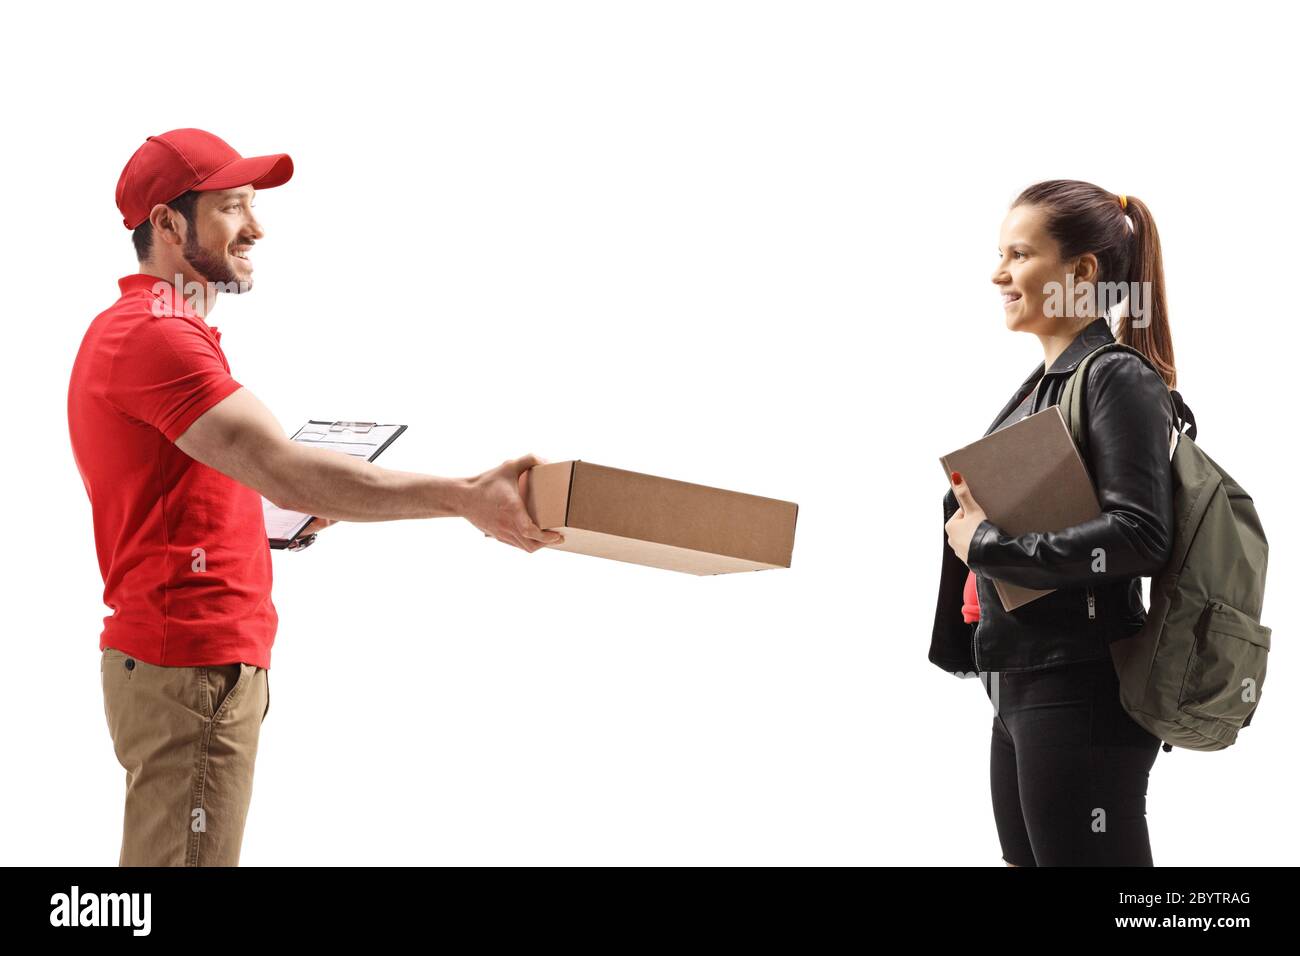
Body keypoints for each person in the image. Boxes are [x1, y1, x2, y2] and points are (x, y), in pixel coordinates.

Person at [68, 128, 564, 866]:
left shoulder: (160, 331)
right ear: (168, 224)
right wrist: (466, 497)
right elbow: (276, 462)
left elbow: (192, 486)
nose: (256, 227)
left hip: (192, 663)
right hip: (192, 666)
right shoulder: (157, 336)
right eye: (232, 207)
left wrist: (268, 512)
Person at [928, 180, 1179, 866]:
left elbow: (1139, 535)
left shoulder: (1113, 377)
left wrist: (989, 544)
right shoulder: (1046, 388)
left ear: (1082, 272)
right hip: (1020, 681)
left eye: (1018, 253)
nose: (998, 272)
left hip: (1078, 685)